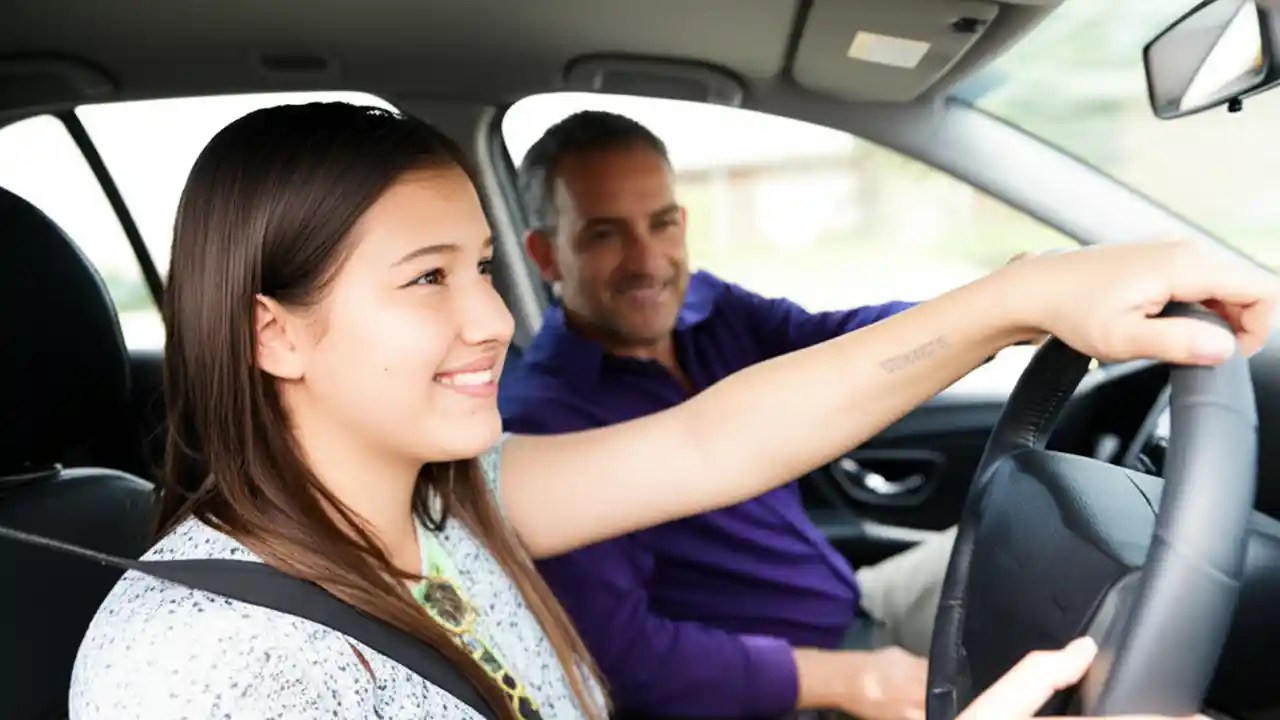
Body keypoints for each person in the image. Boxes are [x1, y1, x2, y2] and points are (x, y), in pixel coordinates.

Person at [66, 102, 1266, 720]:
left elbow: (718, 436)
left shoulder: (450, 503)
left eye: (482, 266)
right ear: (273, 330)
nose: (492, 320)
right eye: (426, 278)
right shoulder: (206, 666)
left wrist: (1022, 299)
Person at [499, 110, 946, 718]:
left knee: (1025, 550)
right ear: (546, 256)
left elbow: (834, 344)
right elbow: (627, 661)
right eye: (605, 234)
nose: (648, 260)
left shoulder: (711, 309)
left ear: (682, 224)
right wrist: (847, 681)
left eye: (661, 225)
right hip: (787, 691)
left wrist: (992, 315)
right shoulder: (546, 424)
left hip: (856, 603)